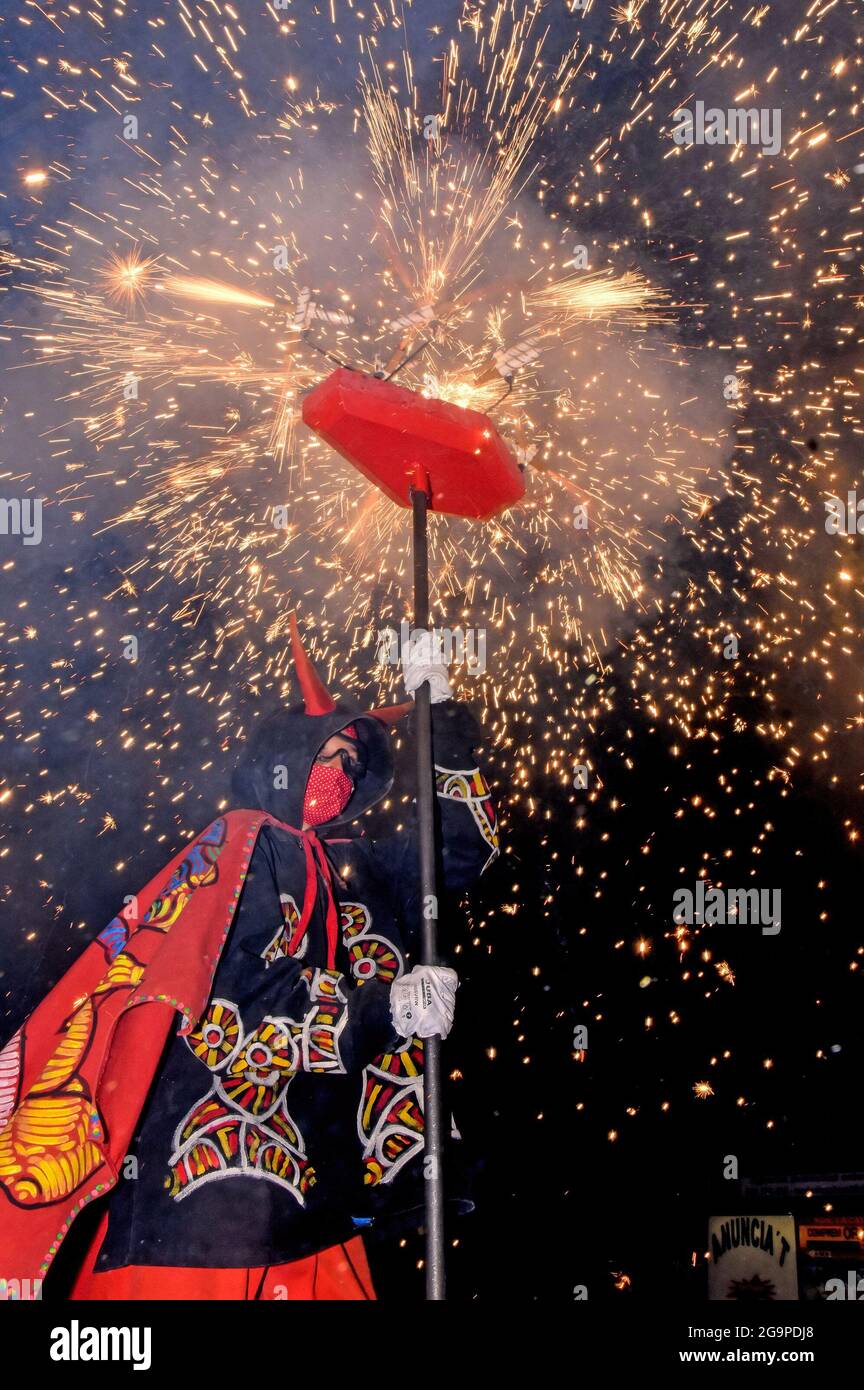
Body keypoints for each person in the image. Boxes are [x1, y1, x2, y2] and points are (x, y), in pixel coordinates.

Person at [0, 617, 498, 1300]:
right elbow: (242, 998)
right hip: (206, 1203)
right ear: (285, 755)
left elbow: (460, 855)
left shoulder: (352, 863)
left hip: (317, 1203)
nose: (341, 776)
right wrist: (389, 1008)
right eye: (329, 755)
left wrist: (438, 718)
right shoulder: (237, 847)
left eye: (354, 765)